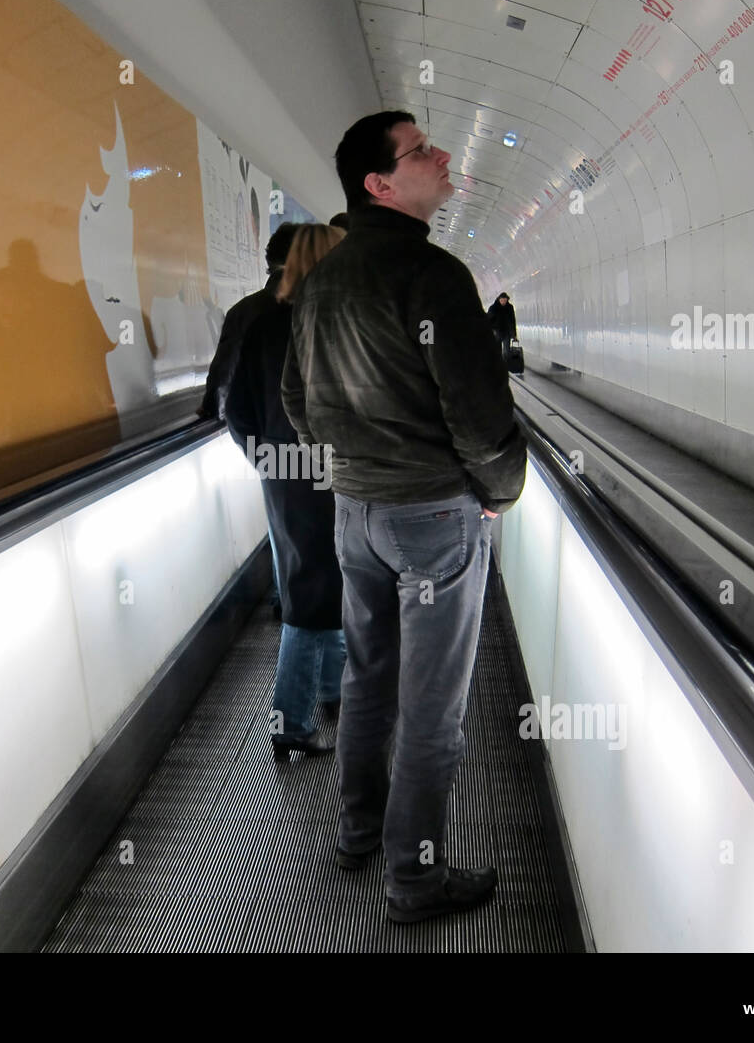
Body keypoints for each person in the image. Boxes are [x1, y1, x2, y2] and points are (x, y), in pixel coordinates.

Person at [282, 111, 526, 924]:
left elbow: (295, 401)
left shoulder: (320, 282)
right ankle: (414, 878)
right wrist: (502, 487)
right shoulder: (434, 276)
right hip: (433, 519)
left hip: (355, 513)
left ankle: (356, 837)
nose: (443, 154)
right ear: (381, 185)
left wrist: (353, 456)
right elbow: (479, 413)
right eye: (421, 150)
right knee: (432, 710)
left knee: (368, 683)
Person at [226, 224, 347, 761]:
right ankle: (290, 722)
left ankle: (334, 690)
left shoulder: (262, 324)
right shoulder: (333, 323)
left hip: (286, 473)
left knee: (315, 586)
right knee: (315, 594)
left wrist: (267, 458)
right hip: (330, 473)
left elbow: (236, 408)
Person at [198, 222, 299, 420]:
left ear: (269, 261)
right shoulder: (316, 305)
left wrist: (212, 408)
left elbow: (224, 377)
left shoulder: (243, 311)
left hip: (266, 433)